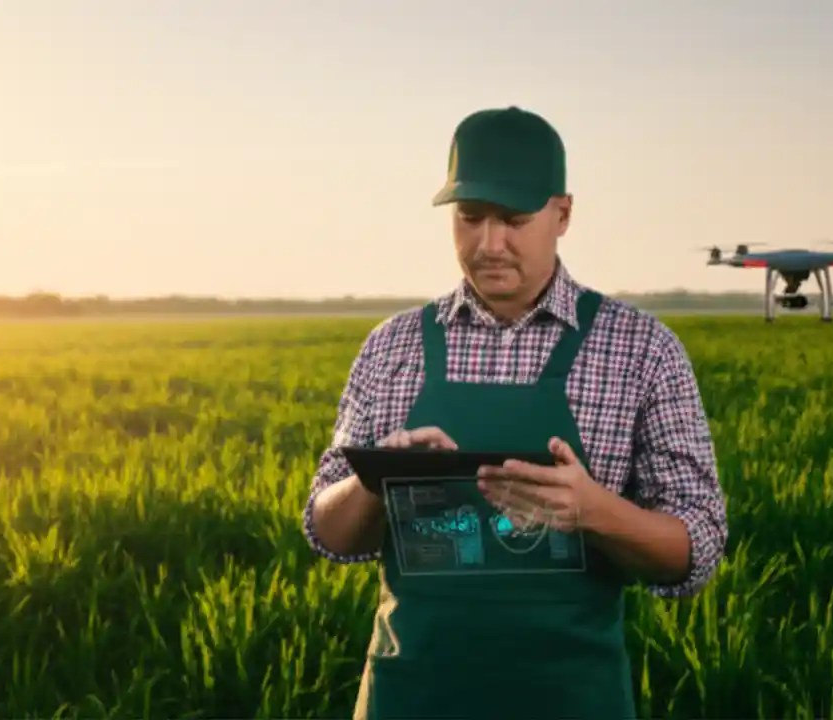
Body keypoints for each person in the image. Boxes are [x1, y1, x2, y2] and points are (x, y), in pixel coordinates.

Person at [302, 105, 727, 720]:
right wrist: (377, 480)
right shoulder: (391, 347)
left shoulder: (641, 350)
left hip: (572, 700)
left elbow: (698, 549)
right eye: (470, 218)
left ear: (562, 215)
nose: (488, 243)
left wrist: (595, 512)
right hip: (410, 698)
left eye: (514, 219)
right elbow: (327, 529)